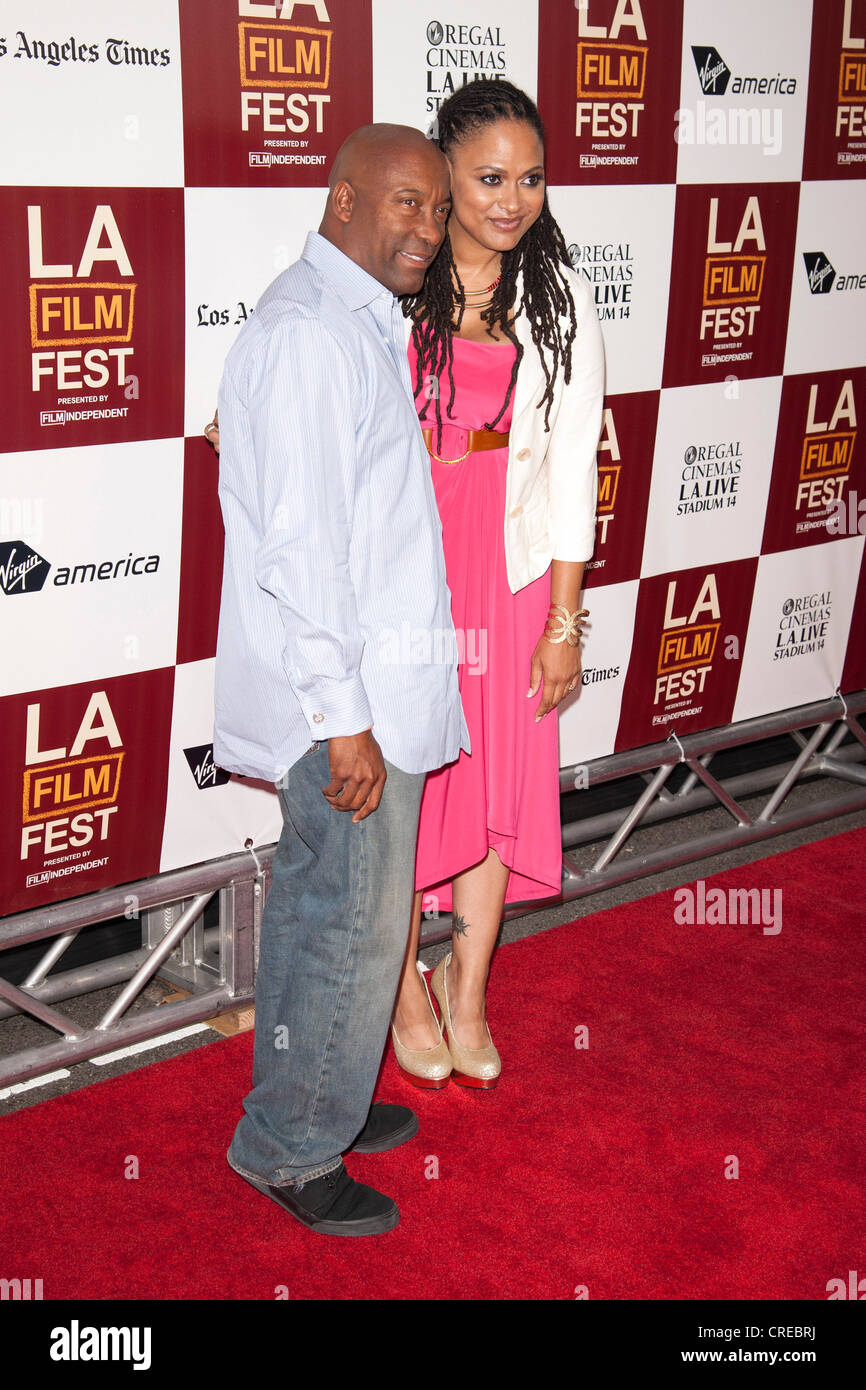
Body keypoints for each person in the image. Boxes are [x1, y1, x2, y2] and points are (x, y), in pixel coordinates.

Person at [212, 124, 467, 1236]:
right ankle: (290, 1150)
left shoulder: (345, 323)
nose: (425, 226)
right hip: (344, 705)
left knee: (343, 914)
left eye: (435, 210)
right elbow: (302, 552)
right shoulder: (313, 333)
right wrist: (345, 720)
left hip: (365, 692)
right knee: (344, 921)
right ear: (344, 197)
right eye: (405, 203)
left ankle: (318, 1094)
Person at [389, 80, 605, 1090]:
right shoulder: (392, 277)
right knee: (402, 784)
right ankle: (397, 988)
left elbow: (570, 474)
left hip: (510, 568)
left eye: (529, 178)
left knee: (495, 784)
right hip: (406, 565)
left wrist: (562, 621)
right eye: (486, 178)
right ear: (442, 170)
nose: (510, 200)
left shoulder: (557, 303)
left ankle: (466, 986)